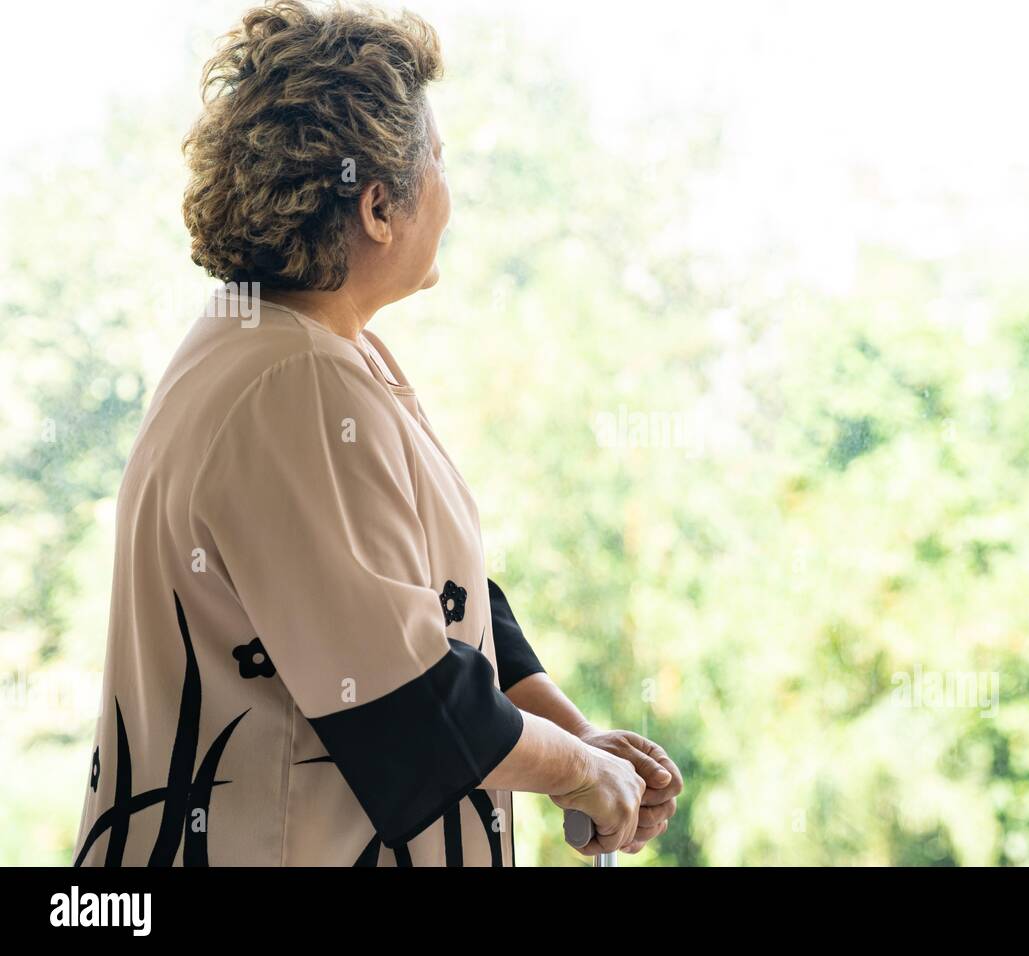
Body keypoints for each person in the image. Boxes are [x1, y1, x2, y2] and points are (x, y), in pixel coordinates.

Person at [73, 0, 681, 866]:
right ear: (379, 207)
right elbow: (412, 705)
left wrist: (580, 737)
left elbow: (443, 603)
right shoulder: (294, 383)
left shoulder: (294, 350)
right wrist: (579, 773)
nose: (452, 190)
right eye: (437, 161)